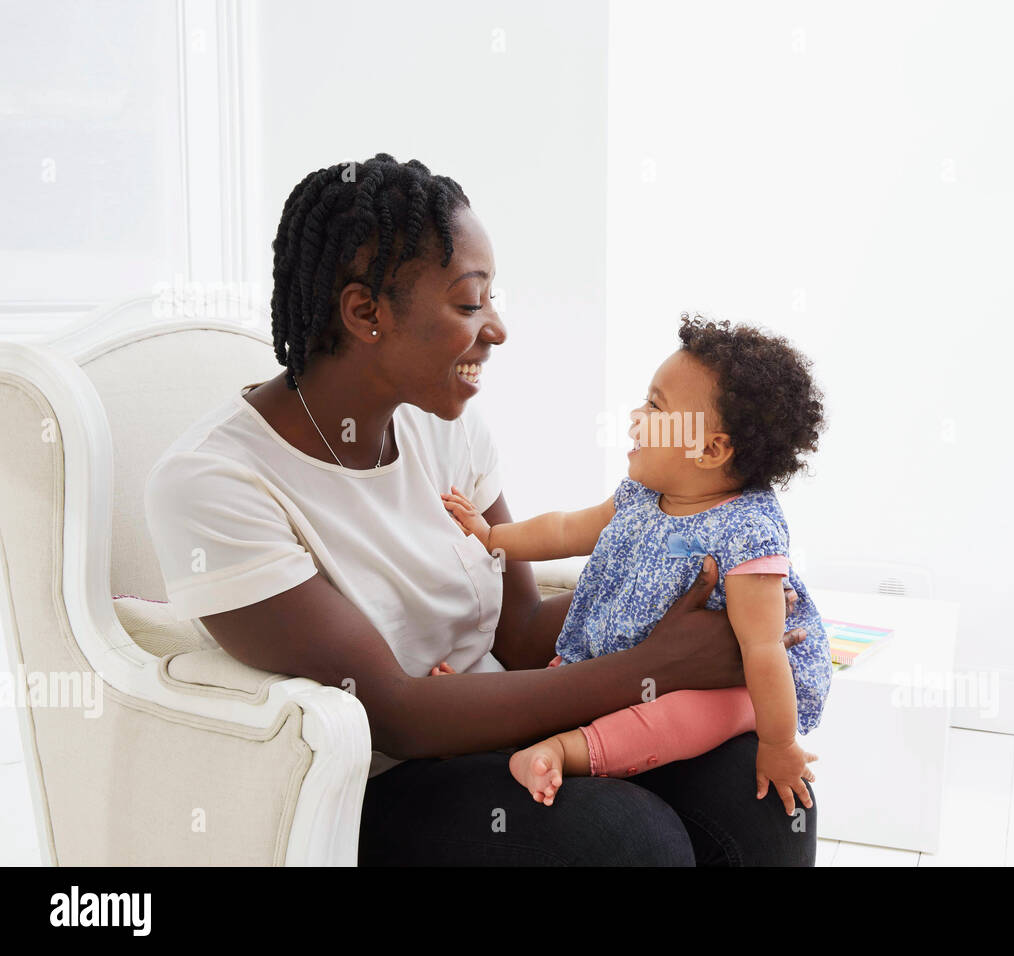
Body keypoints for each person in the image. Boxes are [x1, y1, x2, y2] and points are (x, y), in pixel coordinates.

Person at [143, 153, 816, 865]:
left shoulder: (444, 424)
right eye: (469, 305)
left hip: (508, 722)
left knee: (767, 802)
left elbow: (519, 633)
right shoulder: (214, 484)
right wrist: (658, 664)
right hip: (377, 784)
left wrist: (703, 604)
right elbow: (395, 715)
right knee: (628, 842)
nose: (496, 329)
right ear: (365, 313)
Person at [441, 315, 831, 818]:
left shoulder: (747, 534)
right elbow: (565, 529)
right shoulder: (642, 496)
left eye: (655, 406)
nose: (635, 415)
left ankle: (564, 752)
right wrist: (494, 537)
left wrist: (779, 745)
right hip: (628, 660)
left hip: (721, 685)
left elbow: (763, 651)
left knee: (682, 717)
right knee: (563, 682)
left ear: (711, 449)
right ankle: (478, 724)